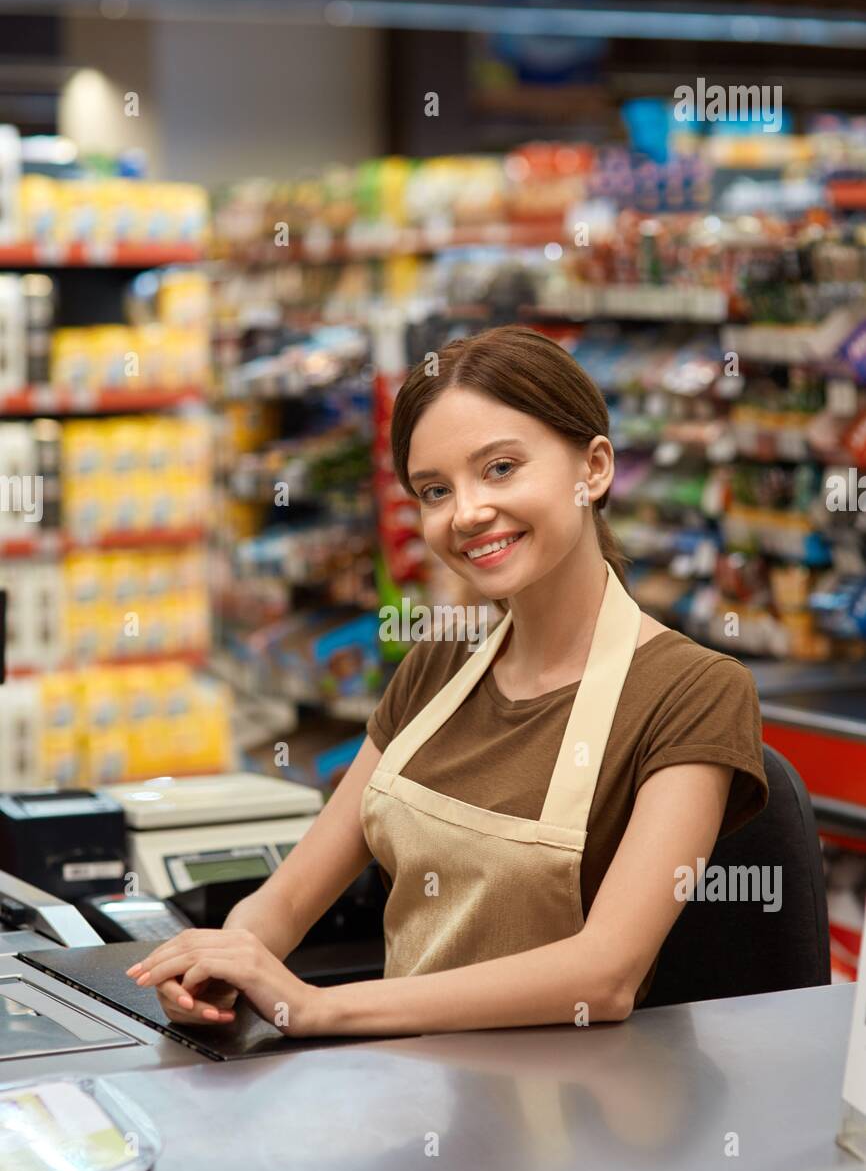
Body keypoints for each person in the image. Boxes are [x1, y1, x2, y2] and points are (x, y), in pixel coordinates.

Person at [129, 325, 768, 1037]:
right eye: (435, 490)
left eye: (500, 469)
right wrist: (227, 959)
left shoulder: (694, 692)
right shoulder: (441, 662)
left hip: (574, 1122)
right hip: (412, 1092)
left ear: (593, 469)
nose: (466, 513)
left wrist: (319, 1006)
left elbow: (606, 974)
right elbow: (287, 901)